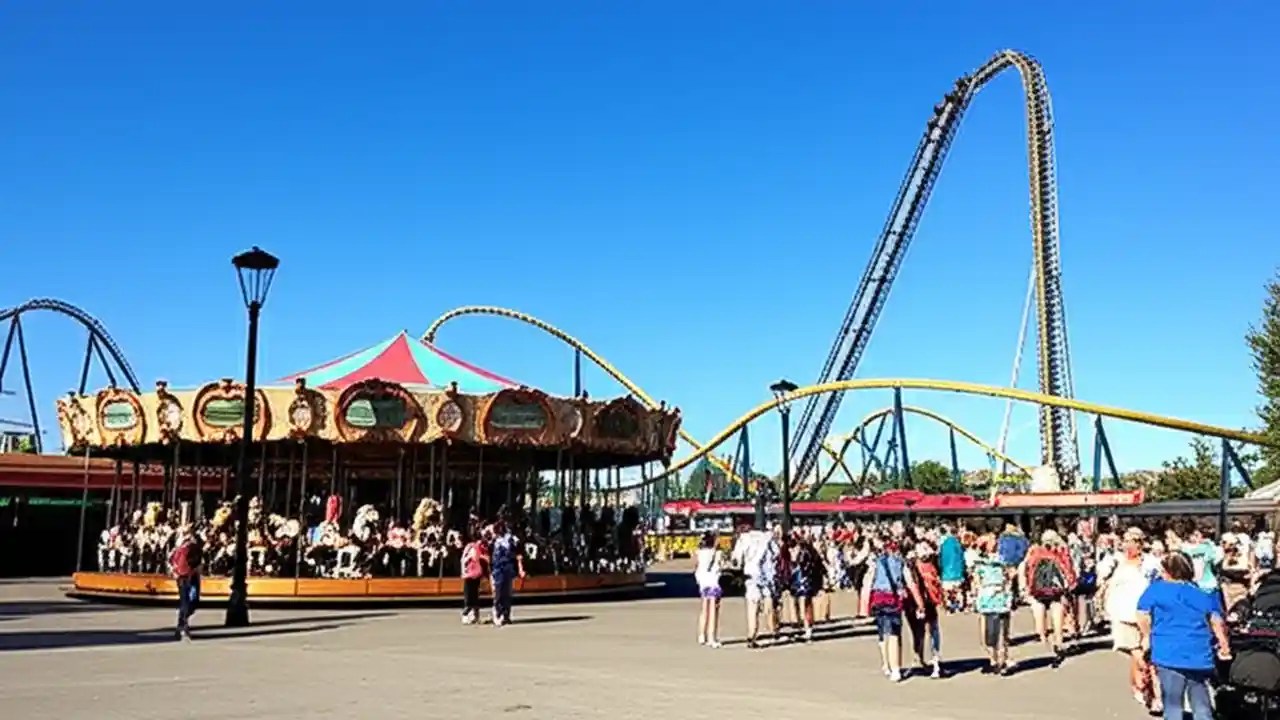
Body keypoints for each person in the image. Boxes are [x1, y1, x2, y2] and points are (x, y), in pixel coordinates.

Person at [1136, 552, 1232, 720]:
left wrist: (1146, 636)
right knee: (1201, 701)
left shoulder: (1156, 589)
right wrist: (1224, 646)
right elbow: (1216, 621)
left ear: (1167, 571)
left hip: (1168, 651)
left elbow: (1142, 615)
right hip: (1198, 652)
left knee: (1173, 704)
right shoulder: (1201, 593)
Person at [1098, 528, 1161, 712]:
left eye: (1133, 541)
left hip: (1146, 614)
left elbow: (1158, 582)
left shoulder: (1151, 563)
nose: (1128, 545)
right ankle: (1144, 686)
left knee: (1144, 651)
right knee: (1136, 652)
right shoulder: (1116, 560)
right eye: (1126, 541)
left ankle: (1144, 688)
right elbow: (1103, 579)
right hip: (1122, 612)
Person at [861, 537, 924, 682]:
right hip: (893, 599)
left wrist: (864, 607)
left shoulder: (876, 562)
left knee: (883, 632)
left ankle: (886, 664)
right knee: (895, 633)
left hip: (878, 598)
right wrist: (920, 603)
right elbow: (911, 583)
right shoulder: (901, 563)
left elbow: (867, 582)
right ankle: (896, 669)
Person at [1023, 529, 1076, 664]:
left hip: (1038, 589)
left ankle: (1043, 640)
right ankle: (1058, 641)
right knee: (1057, 612)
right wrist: (1071, 583)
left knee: (1039, 613)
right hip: (1056, 590)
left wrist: (1028, 587)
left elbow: (1028, 567)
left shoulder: (1035, 551)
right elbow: (1068, 568)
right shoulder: (1060, 551)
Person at [731, 526, 781, 648]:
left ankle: (751, 635)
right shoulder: (768, 537)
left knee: (752, 606)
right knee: (770, 601)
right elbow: (776, 553)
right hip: (766, 575)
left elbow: (736, 560)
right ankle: (773, 628)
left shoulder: (743, 538)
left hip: (751, 574)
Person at [973, 535, 1014, 675]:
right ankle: (992, 659)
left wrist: (1007, 588)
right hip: (987, 599)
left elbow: (1009, 576)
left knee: (1003, 632)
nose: (996, 543)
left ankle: (1003, 661)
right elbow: (977, 581)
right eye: (992, 541)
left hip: (1001, 597)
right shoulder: (980, 563)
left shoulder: (1002, 559)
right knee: (989, 633)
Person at [905, 541, 945, 678]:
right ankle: (926, 659)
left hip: (921, 601)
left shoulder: (916, 565)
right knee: (927, 630)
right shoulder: (929, 565)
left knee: (924, 630)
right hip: (922, 601)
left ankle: (928, 659)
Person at [168, 525, 203, 641]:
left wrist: (198, 569)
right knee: (185, 602)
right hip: (182, 577)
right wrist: (175, 571)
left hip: (192, 576)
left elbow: (198, 558)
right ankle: (183, 627)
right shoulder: (179, 547)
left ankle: (181, 623)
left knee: (194, 600)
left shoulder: (195, 545)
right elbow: (172, 560)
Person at [489, 519, 526, 627]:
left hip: (507, 567)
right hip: (498, 568)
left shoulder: (510, 540)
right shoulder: (494, 541)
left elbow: (518, 553)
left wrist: (520, 568)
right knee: (499, 592)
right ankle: (498, 613)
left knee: (507, 592)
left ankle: (506, 614)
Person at [694, 532, 724, 647]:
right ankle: (712, 637)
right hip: (713, 582)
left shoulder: (699, 553)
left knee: (704, 609)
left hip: (703, 582)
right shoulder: (717, 553)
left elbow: (697, 567)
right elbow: (720, 566)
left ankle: (702, 635)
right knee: (713, 611)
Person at [460, 529, 489, 625]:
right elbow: (476, 557)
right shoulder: (475, 547)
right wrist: (484, 557)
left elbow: (463, 560)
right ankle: (467, 615)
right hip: (473, 574)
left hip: (468, 574)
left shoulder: (467, 547)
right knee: (472, 595)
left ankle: (474, 615)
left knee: (472, 595)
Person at [937, 525, 966, 613]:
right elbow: (962, 558)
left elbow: (940, 558)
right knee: (957, 590)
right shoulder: (958, 544)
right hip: (957, 571)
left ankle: (949, 606)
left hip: (946, 572)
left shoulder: (943, 544)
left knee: (947, 591)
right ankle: (958, 605)